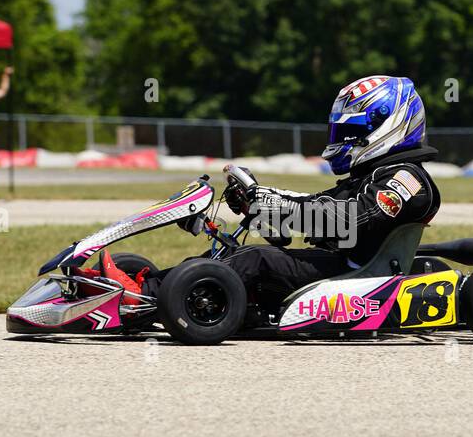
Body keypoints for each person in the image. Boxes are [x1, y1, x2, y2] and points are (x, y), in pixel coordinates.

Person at [126, 75, 440, 311]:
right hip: (343, 266)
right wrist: (259, 203)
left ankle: (145, 296)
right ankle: (145, 284)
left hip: (362, 279)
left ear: (388, 126)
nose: (345, 139)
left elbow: (346, 221)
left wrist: (276, 205)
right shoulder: (371, 175)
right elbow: (319, 205)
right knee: (236, 253)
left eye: (352, 133)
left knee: (257, 257)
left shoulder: (407, 180)